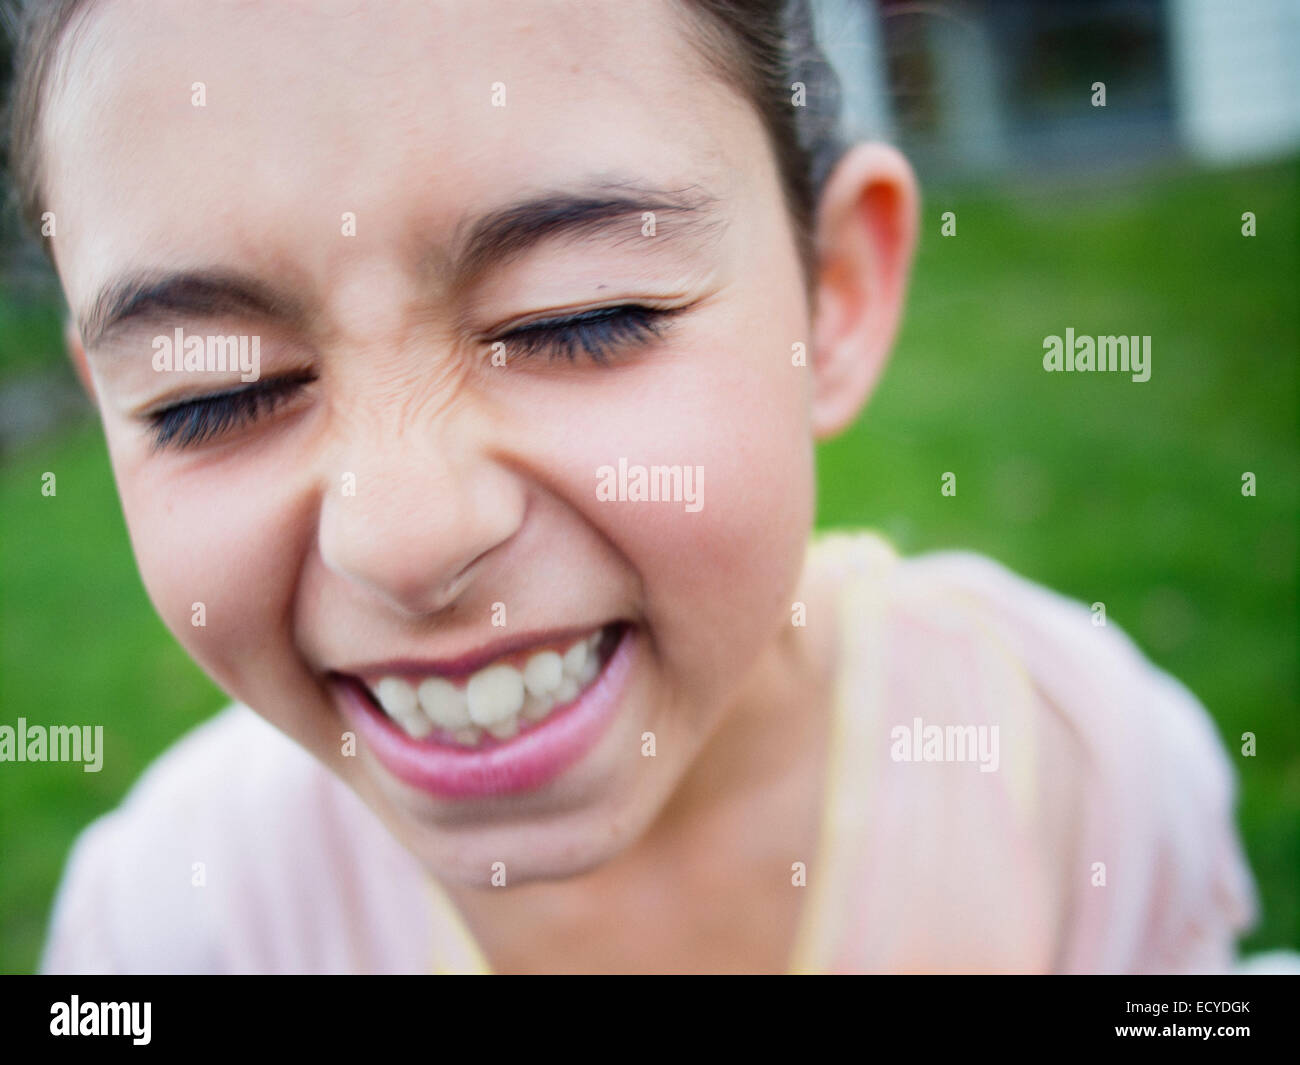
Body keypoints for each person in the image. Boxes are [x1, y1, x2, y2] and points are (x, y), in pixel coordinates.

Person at [9, 0, 1259, 973]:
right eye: (207, 396)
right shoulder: (170, 929)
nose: (403, 535)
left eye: (580, 316)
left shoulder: (1077, 772)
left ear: (833, 296)